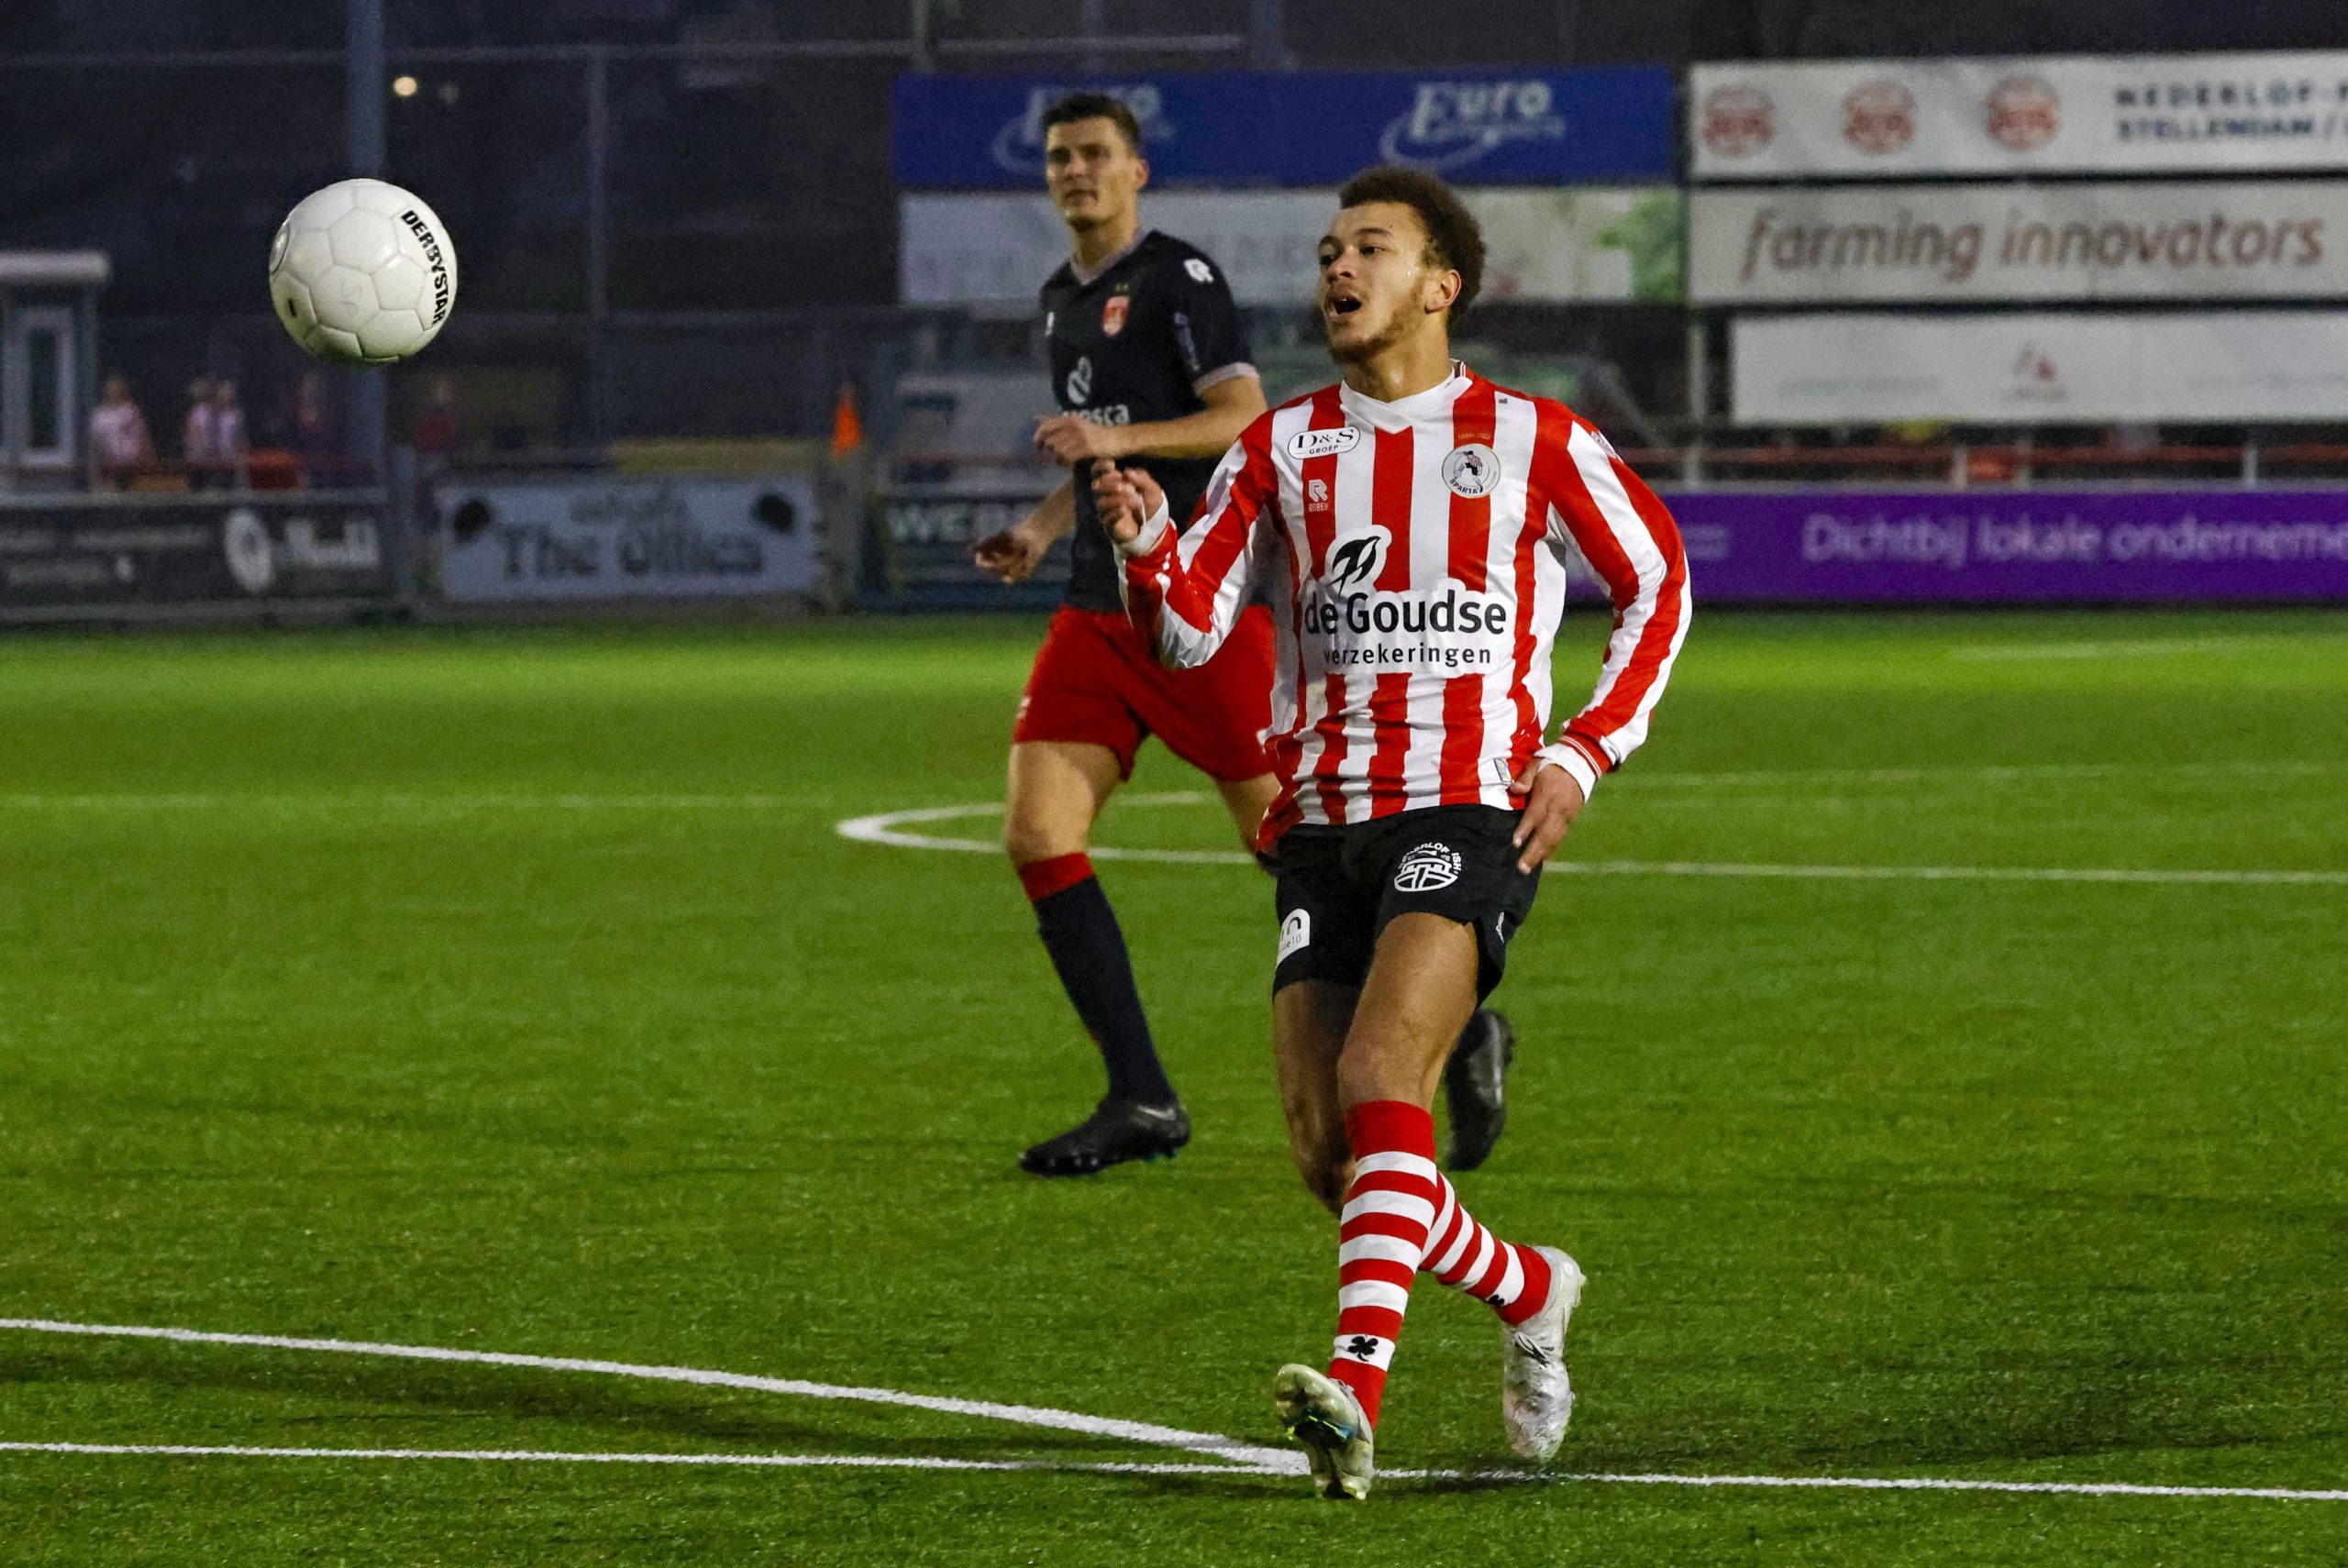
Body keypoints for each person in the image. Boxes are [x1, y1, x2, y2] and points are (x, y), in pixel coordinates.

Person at [1095, 167, 1690, 1498]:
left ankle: (1351, 1393)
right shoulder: (1281, 447)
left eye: (1369, 246)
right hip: (1321, 827)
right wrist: (1144, 545)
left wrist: (1586, 749)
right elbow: (1191, 627)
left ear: (1442, 284)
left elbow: (1656, 582)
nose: (1336, 268)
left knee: (1382, 1073)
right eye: (1324, 250)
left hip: (1468, 805)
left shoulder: (1531, 438)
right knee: (1329, 1155)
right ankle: (1530, 1286)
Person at [969, 94, 1518, 1179]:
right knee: (1037, 834)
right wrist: (1041, 527)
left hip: (1200, 605)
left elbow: (1236, 414)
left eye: (1094, 156)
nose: (1074, 173)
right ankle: (1141, 1093)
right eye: (1057, 158)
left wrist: (1114, 436)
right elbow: (1099, 462)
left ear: (1136, 172)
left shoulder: (1181, 281)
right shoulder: (1057, 300)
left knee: (1302, 844)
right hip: (1096, 600)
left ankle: (1453, 1021)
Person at [88, 375, 155, 487]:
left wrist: (145, 459)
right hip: (107, 461)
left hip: (130, 461)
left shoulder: (130, 410)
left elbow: (142, 435)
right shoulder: (99, 414)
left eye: (117, 388)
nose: (114, 392)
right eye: (111, 388)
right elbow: (94, 440)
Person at [182, 379, 218, 487]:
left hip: (206, 454)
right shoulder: (199, 411)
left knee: (204, 482)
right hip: (202, 453)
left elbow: (196, 432)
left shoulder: (206, 411)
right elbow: (192, 433)